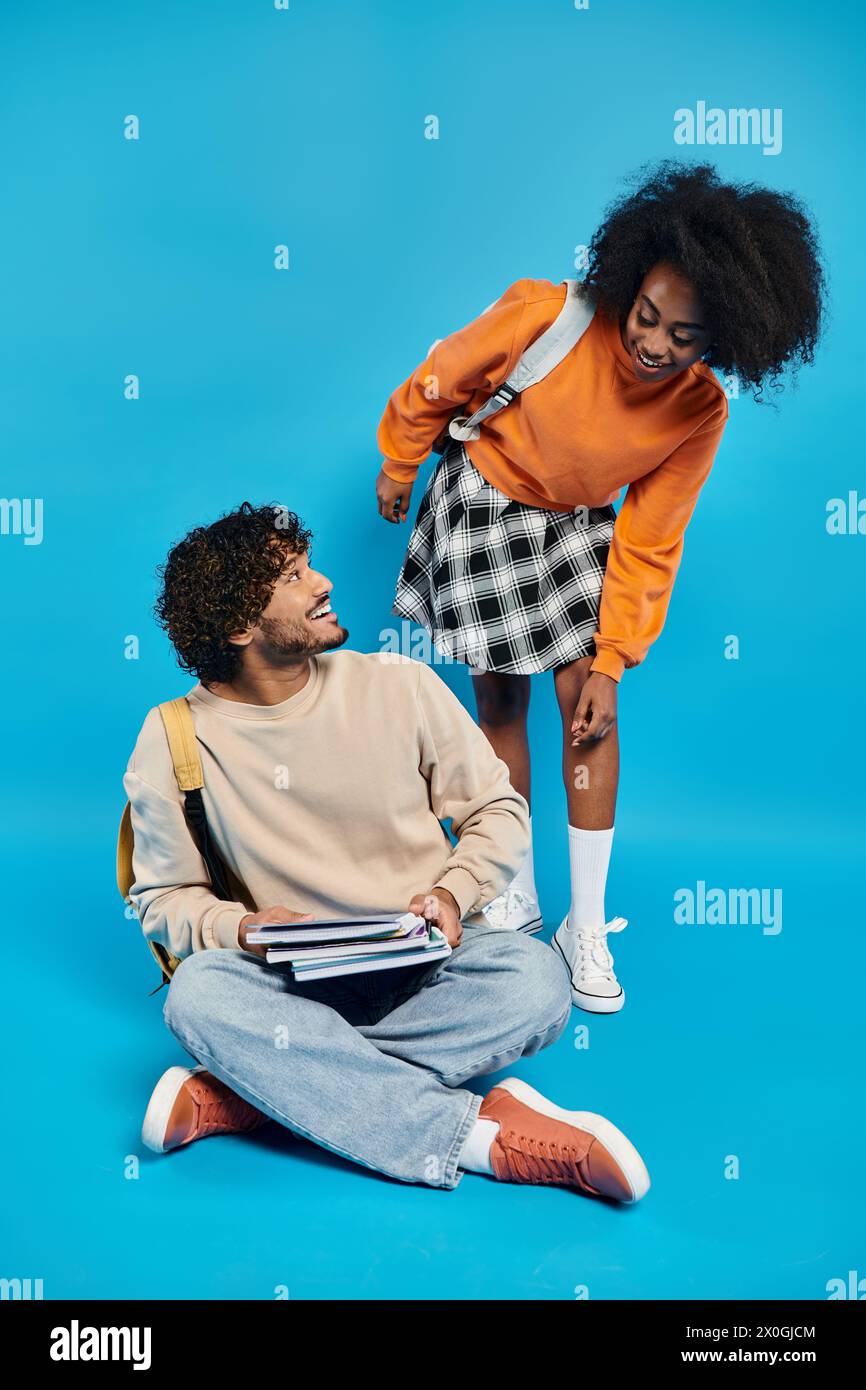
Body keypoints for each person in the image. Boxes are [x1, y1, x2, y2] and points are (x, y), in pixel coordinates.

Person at [375, 160, 826, 1013]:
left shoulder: (699, 413)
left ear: (722, 340)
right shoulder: (550, 315)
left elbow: (652, 540)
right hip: (488, 506)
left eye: (684, 337)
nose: (653, 344)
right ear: (626, 282)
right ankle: (511, 886)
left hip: (577, 530)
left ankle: (584, 923)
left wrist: (615, 661)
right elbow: (444, 373)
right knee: (498, 706)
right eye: (646, 315)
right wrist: (400, 457)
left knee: (588, 706)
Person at [124, 502, 650, 1201]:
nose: (323, 583)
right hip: (286, 985)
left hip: (428, 968)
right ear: (236, 626)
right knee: (197, 995)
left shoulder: (398, 685)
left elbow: (498, 810)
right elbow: (161, 897)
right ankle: (484, 1140)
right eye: (293, 576)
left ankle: (260, 1096)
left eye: (309, 565)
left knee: (536, 981)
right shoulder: (170, 740)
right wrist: (241, 928)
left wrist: (454, 895)